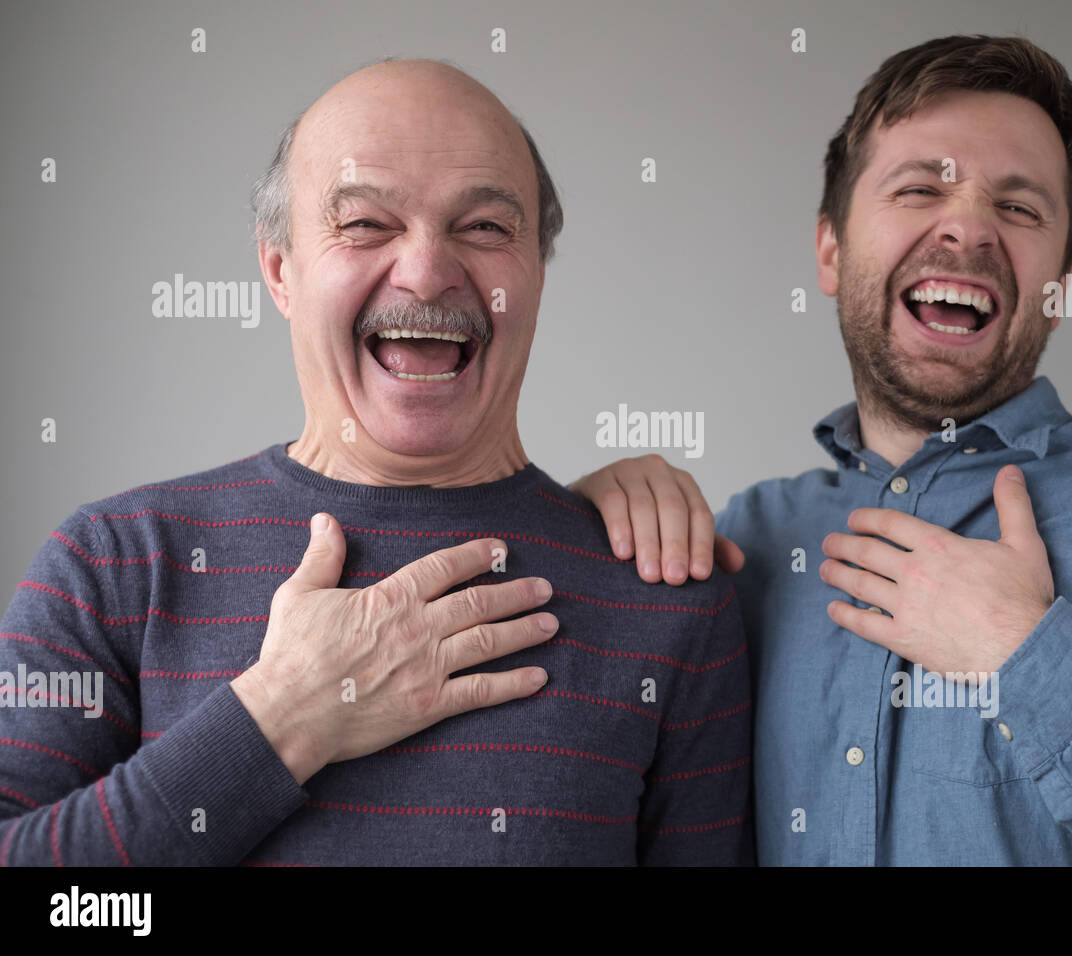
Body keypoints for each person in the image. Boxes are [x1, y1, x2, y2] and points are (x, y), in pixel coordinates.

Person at [0, 59, 752, 866]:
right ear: (281, 271)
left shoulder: (668, 595)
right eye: (364, 224)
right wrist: (281, 718)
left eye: (486, 228)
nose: (428, 270)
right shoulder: (114, 563)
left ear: (535, 272)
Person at [572, 34, 1072, 865]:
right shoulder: (752, 542)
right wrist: (588, 525)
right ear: (831, 254)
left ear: (1058, 287)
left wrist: (1026, 657)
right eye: (920, 188)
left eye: (1020, 209)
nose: (969, 228)